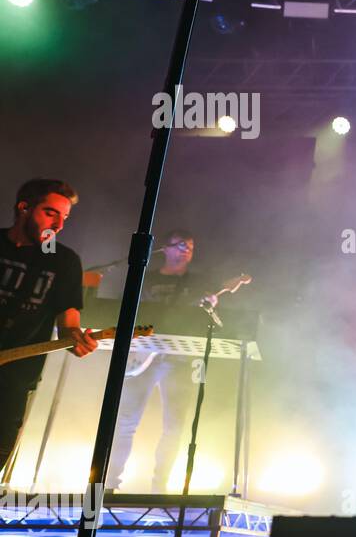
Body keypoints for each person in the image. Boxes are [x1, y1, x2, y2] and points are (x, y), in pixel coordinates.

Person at [0, 179, 98, 478]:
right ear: (24, 208)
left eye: (64, 218)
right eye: (50, 213)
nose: (58, 225)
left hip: (14, 381)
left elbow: (68, 322)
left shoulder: (65, 261)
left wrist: (76, 340)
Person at [105, 229, 211, 492]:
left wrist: (210, 304)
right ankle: (109, 484)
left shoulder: (196, 284)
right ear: (166, 248)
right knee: (125, 420)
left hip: (179, 359)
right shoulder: (146, 279)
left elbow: (201, 321)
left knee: (174, 425)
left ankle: (159, 488)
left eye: (190, 246)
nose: (186, 250)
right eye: (180, 245)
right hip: (142, 356)